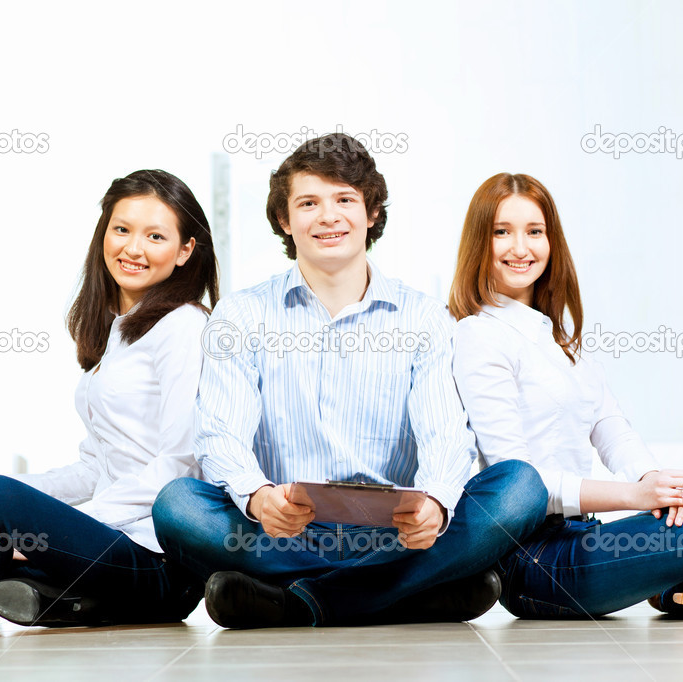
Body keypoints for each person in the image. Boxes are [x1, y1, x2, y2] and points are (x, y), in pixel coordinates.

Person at [151, 134, 547, 629]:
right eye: (308, 203)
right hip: (282, 534)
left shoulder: (423, 317)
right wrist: (258, 496)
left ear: (372, 212)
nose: (328, 217)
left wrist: (436, 504)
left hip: (395, 535)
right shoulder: (241, 315)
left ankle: (304, 601)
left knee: (521, 487)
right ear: (284, 219)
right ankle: (402, 594)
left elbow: (445, 433)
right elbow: (220, 433)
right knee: (177, 505)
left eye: (344, 200)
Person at [449, 172, 683, 623]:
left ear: (551, 241)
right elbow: (519, 486)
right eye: (501, 232)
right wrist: (636, 495)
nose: (520, 247)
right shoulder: (479, 335)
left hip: (583, 536)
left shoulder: (560, 341)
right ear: (480, 241)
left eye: (534, 231)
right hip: (534, 561)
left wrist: (657, 483)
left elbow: (613, 430)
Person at [0, 169, 220, 626]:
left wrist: (47, 529)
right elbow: (94, 469)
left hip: (153, 560)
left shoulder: (184, 325)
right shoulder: (118, 332)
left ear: (185, 250)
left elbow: (180, 465)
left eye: (155, 236)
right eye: (122, 229)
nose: (133, 248)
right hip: (104, 542)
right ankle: (47, 595)